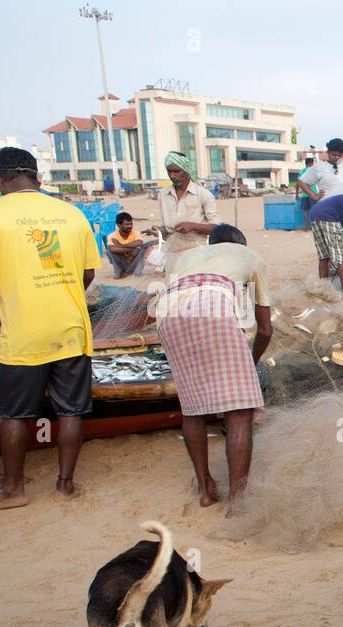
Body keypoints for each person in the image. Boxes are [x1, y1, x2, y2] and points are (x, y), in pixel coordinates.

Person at [0, 147, 100, 509]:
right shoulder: (72, 214)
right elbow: (88, 273)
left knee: (14, 414)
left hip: (21, 332)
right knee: (71, 411)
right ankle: (64, 486)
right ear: (37, 176)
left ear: (0, 178)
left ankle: (12, 491)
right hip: (71, 329)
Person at [154, 224, 271, 510]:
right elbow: (263, 328)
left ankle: (206, 489)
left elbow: (180, 294)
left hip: (168, 316)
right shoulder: (249, 255)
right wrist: (251, 361)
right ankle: (238, 502)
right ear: (240, 243)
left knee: (193, 407)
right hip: (215, 307)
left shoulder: (187, 257)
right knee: (240, 412)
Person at [157, 151, 220, 276]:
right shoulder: (163, 195)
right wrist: (158, 230)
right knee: (174, 288)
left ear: (187, 170)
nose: (173, 176)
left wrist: (193, 226)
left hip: (196, 250)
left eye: (177, 171)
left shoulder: (204, 194)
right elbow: (166, 228)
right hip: (172, 250)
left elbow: (217, 228)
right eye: (169, 172)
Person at [297, 138, 343, 203]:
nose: (337, 157)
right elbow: (302, 182)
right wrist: (314, 195)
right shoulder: (319, 167)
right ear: (328, 152)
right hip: (327, 210)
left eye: (339, 155)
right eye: (334, 155)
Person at [105, 212, 152, 278]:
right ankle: (119, 272)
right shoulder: (112, 235)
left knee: (143, 248)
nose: (130, 226)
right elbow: (113, 249)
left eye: (131, 224)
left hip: (134, 263)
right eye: (127, 224)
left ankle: (136, 273)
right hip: (122, 263)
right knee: (109, 251)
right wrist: (132, 249)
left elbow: (139, 243)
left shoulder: (136, 232)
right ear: (119, 225)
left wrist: (120, 245)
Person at [296, 157, 316, 225]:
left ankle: (305, 227)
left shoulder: (301, 171)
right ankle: (313, 227)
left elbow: (298, 183)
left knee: (305, 211)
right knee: (314, 211)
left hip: (304, 194)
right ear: (311, 163)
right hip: (313, 193)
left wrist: (297, 194)